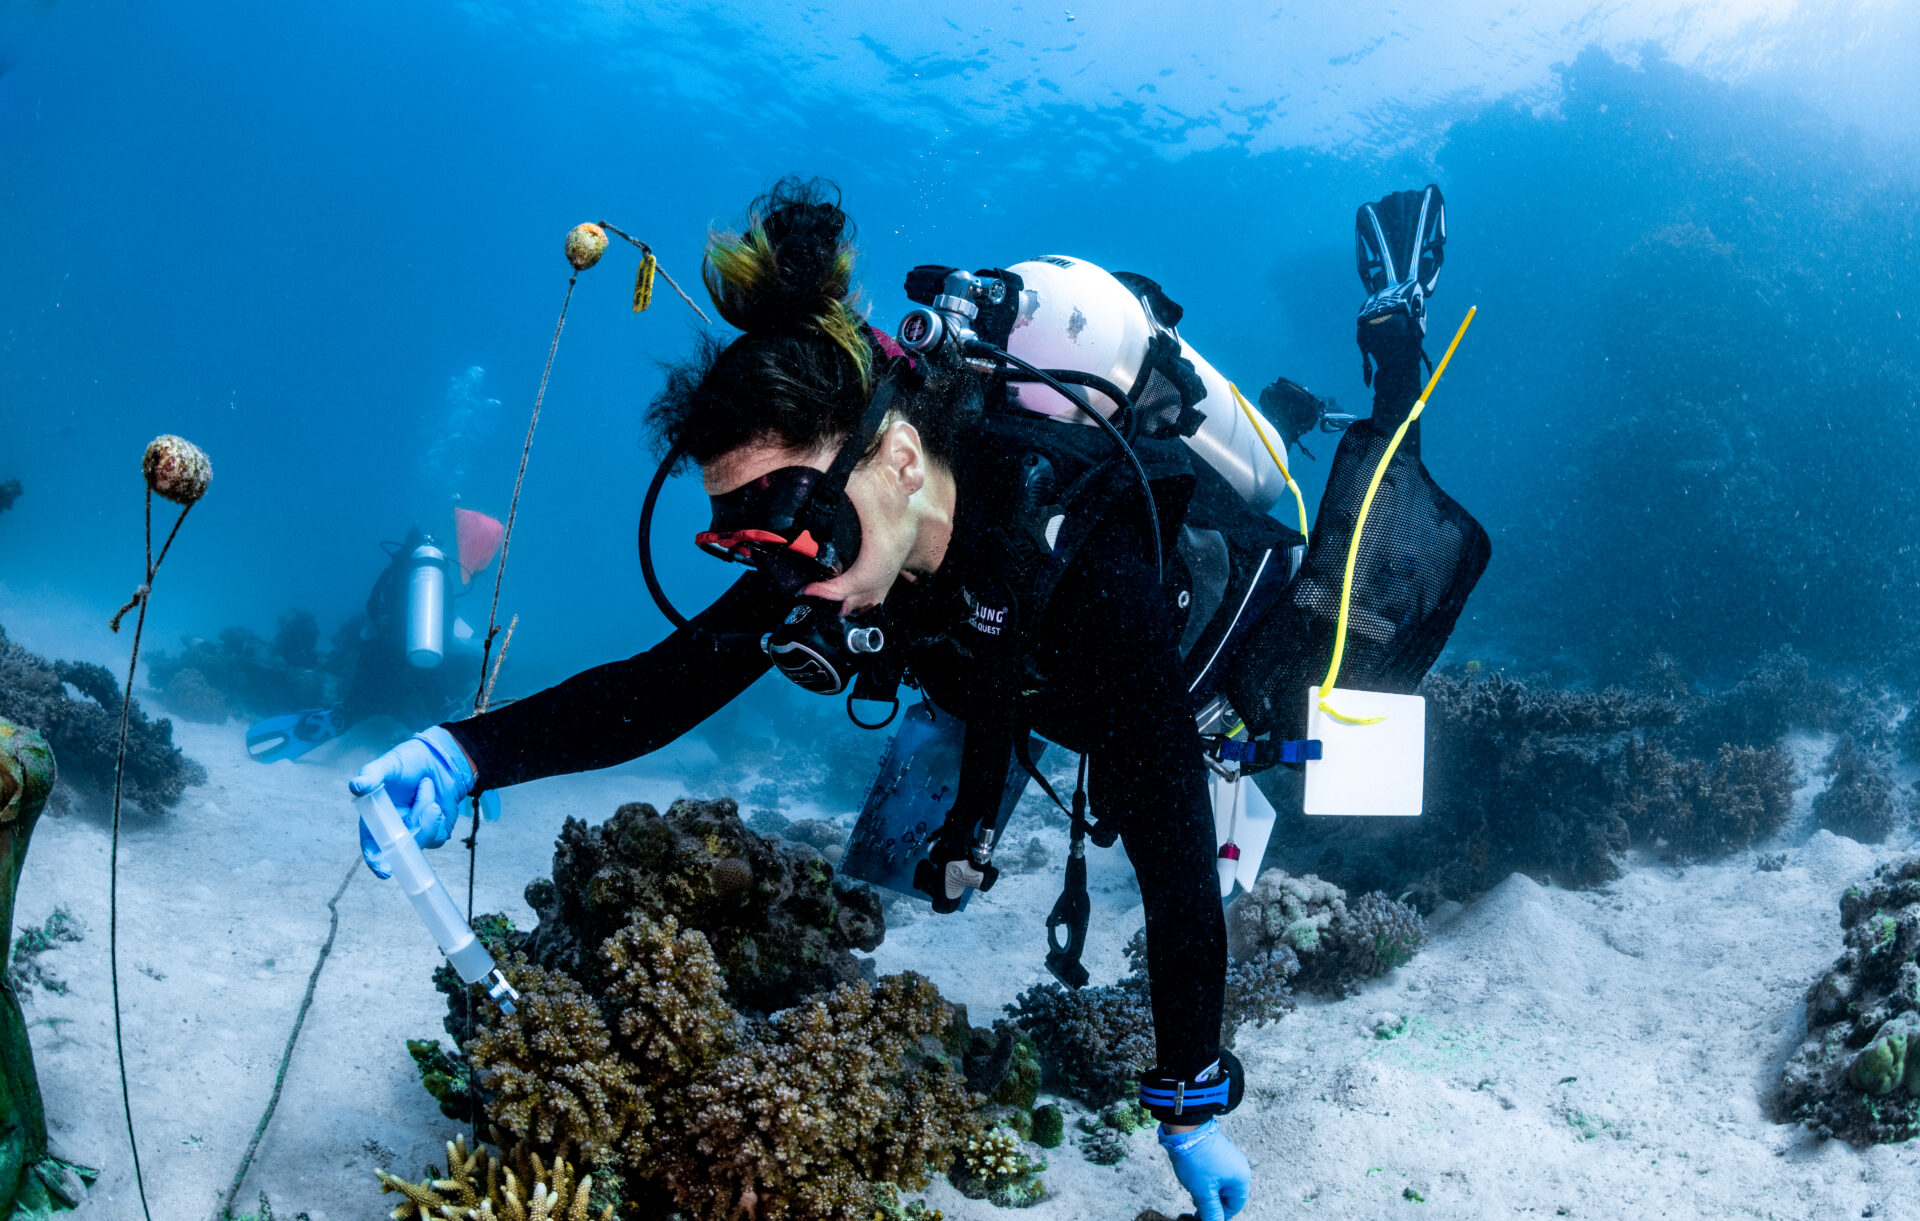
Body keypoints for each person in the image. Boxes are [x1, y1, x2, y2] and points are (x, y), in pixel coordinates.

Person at [352, 178, 1482, 1221]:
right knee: (941, 739)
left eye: (795, 524)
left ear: (893, 459)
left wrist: (1191, 1093)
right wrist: (462, 753)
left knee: (1344, 682)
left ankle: (1390, 340)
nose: (785, 574)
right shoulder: (842, 554)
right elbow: (660, 690)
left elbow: (1175, 851)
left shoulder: (1092, 568)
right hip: (1015, 669)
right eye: (746, 542)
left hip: (1208, 658)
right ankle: (1292, 404)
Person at [246, 511, 502, 763]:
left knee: (359, 704)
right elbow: (448, 624)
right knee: (438, 711)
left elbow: (372, 607)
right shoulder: (440, 575)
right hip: (429, 658)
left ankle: (342, 717)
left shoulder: (399, 565)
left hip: (384, 650)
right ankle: (453, 747)